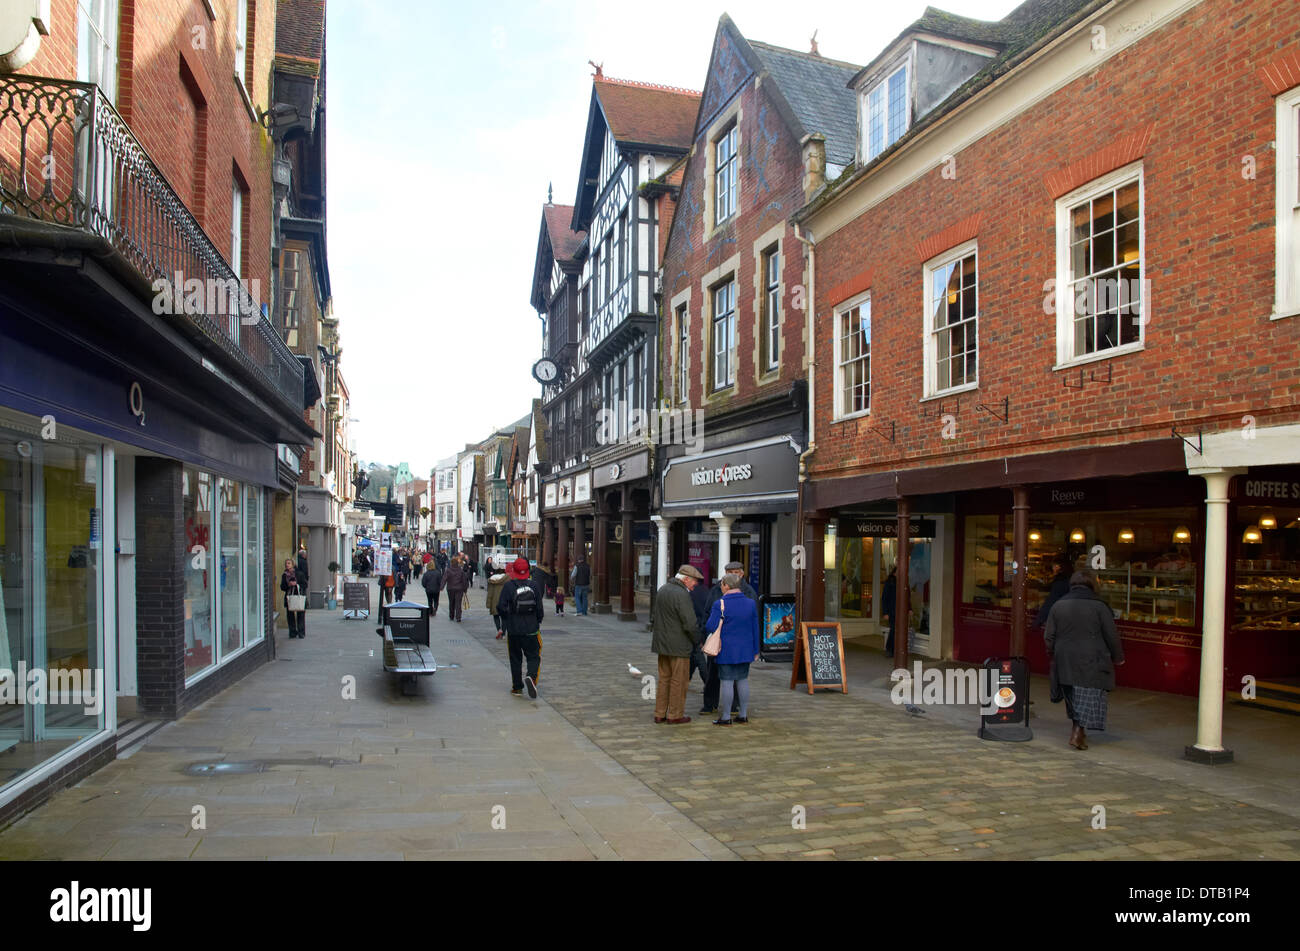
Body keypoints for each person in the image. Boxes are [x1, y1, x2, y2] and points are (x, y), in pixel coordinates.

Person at [1044, 569, 1126, 750]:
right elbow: (1111, 635)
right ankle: (1077, 731)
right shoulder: (1100, 607)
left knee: (1072, 696)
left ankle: (1078, 730)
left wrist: (1053, 652)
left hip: (1064, 658)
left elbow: (1049, 635)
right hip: (1091, 659)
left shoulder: (1059, 605)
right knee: (1087, 696)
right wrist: (1118, 657)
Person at [703, 573, 761, 725]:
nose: (721, 587)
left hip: (726, 649)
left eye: (722, 584)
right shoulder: (750, 603)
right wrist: (756, 649)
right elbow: (756, 627)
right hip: (746, 648)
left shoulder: (720, 604)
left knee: (727, 681)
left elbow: (710, 626)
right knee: (742, 680)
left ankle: (726, 716)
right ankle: (742, 714)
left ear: (727, 586)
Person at [650, 564, 704, 725]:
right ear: (686, 579)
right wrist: (697, 639)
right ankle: (675, 715)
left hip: (662, 644)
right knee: (678, 681)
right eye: (694, 582)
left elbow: (655, 616)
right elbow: (690, 623)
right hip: (679, 646)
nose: (695, 586)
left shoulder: (663, 589)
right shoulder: (682, 594)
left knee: (664, 679)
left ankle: (659, 713)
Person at [497, 557, 544, 698]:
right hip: (531, 629)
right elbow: (539, 608)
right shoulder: (534, 586)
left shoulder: (508, 586)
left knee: (515, 658)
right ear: (528, 570)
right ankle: (531, 677)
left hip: (514, 630)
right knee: (534, 656)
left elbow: (500, 607)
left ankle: (517, 687)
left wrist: (507, 618)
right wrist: (537, 621)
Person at [1035, 554, 1075, 627]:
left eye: (1054, 566)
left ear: (1058, 567)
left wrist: (1038, 621)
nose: (1052, 568)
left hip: (1059, 615)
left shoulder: (1060, 582)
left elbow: (1051, 601)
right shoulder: (1071, 579)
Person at [281, 559, 305, 638]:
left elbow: (305, 584)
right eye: (286, 563)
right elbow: (282, 587)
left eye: (289, 563)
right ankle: (292, 632)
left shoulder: (299, 574)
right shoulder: (284, 575)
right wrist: (289, 584)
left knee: (300, 615)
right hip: (289, 597)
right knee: (290, 615)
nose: (287, 565)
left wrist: (296, 583)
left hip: (299, 596)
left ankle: (301, 632)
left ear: (293, 564)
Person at [487, 566, 509, 638]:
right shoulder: (507, 579)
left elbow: (490, 592)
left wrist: (488, 603)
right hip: (505, 601)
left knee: (496, 616)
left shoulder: (492, 579)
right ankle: (503, 634)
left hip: (494, 601)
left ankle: (499, 629)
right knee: (504, 617)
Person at [444, 556, 468, 622]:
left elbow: (444, 579)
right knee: (458, 603)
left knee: (451, 602)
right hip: (459, 588)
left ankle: (451, 615)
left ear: (451, 563)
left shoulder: (448, 570)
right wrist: (465, 589)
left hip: (450, 588)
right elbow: (464, 581)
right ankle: (458, 617)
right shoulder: (461, 571)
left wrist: (441, 587)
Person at [882, 567, 898, 657]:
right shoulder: (890, 582)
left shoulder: (903, 582)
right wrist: (885, 612)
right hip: (892, 611)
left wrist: (909, 608)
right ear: (895, 573)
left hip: (899, 611)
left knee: (896, 630)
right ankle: (889, 649)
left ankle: (894, 649)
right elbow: (885, 598)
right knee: (893, 629)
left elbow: (907, 597)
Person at [296, 547, 310, 636]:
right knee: (301, 609)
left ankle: (294, 631)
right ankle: (301, 632)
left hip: (297, 587)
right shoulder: (304, 562)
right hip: (301, 587)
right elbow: (305, 573)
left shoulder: (297, 561)